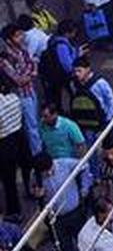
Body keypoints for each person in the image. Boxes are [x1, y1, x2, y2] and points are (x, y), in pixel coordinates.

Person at [31, 150, 89, 251]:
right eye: (44, 173)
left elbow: (85, 165)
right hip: (55, 218)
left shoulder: (65, 164)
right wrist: (36, 194)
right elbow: (33, 188)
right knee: (64, 248)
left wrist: (85, 187)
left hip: (74, 212)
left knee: (85, 240)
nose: (47, 174)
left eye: (49, 170)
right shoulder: (35, 175)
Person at [1, 24, 42, 159]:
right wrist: (31, 70)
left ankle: (38, 151)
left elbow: (33, 65)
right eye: (17, 35)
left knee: (35, 123)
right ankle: (38, 157)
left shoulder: (22, 50)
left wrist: (29, 70)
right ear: (9, 40)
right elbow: (19, 79)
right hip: (20, 96)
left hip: (30, 91)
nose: (21, 37)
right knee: (31, 128)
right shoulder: (6, 58)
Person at [70, 57, 113, 143]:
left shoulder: (100, 83)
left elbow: (111, 101)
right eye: (75, 71)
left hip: (103, 120)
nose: (76, 74)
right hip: (86, 123)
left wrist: (108, 119)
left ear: (88, 69)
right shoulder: (74, 84)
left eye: (79, 71)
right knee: (91, 147)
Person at [40, 20, 83, 110]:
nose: (74, 34)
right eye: (73, 32)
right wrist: (77, 54)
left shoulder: (54, 40)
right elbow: (67, 65)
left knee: (57, 98)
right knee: (73, 95)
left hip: (54, 76)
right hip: (62, 76)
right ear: (67, 32)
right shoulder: (61, 44)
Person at [0, 87, 22, 221]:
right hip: (15, 143)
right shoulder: (14, 100)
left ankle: (13, 212)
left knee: (8, 182)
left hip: (3, 146)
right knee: (10, 182)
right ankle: (14, 210)